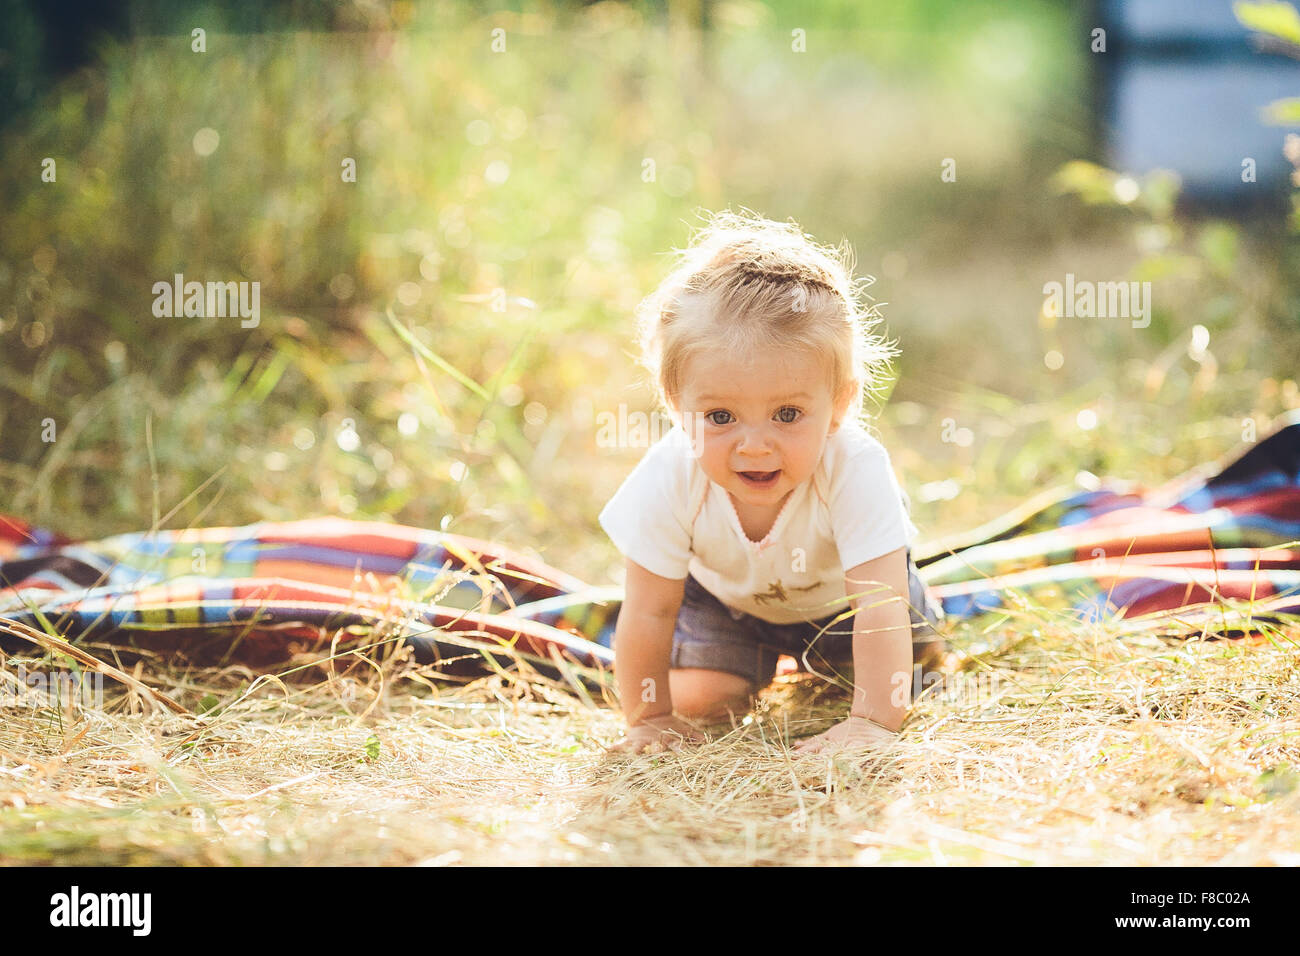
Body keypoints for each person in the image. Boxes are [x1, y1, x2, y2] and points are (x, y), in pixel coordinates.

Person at [598, 208, 947, 756]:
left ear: (839, 403)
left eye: (786, 415)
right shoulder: (670, 474)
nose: (754, 446)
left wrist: (873, 725)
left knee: (909, 677)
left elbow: (879, 606)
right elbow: (649, 609)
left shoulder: (854, 467)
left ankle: (880, 654)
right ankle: (745, 663)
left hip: (845, 607)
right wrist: (648, 716)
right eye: (720, 417)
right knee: (700, 703)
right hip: (727, 607)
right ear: (675, 405)